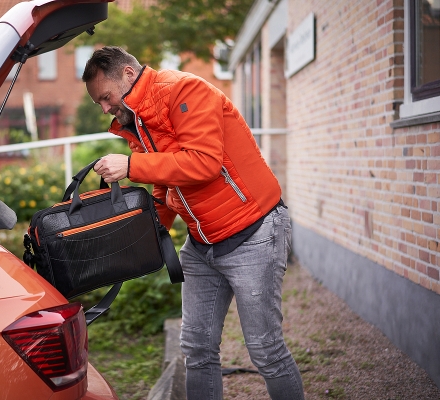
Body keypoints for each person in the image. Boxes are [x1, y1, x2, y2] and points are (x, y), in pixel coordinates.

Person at [82, 46, 304, 400]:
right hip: (202, 244)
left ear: (127, 74)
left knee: (265, 349)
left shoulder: (184, 90)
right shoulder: (138, 122)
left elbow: (204, 164)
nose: (106, 109)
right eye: (100, 105)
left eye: (106, 98)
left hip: (254, 232)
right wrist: (138, 240)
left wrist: (130, 167)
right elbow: (164, 184)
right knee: (197, 349)